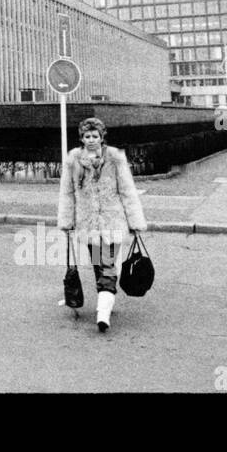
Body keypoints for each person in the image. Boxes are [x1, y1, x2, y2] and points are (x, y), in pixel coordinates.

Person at [57, 117, 148, 334]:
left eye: (95, 136)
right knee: (99, 266)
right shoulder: (74, 160)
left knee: (107, 266)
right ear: (81, 138)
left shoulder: (115, 158)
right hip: (88, 224)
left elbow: (127, 190)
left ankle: (103, 314)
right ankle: (107, 298)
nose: (91, 140)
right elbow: (67, 193)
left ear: (101, 137)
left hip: (113, 221)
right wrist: (67, 221)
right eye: (87, 136)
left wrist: (135, 222)